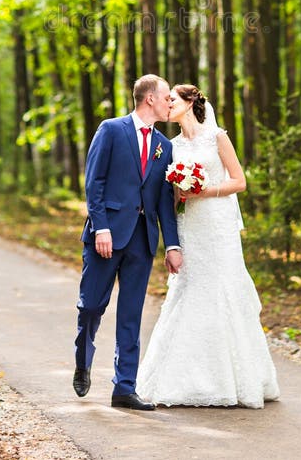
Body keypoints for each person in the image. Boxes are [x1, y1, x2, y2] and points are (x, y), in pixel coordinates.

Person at [136, 84, 280, 408]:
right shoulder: (171, 147)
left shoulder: (217, 137)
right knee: (190, 290)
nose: (167, 104)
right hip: (190, 227)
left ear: (190, 103)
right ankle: (184, 379)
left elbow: (239, 181)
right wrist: (179, 199)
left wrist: (205, 189)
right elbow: (168, 194)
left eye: (172, 99)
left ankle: (238, 379)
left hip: (217, 226)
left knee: (223, 291)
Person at [73, 74, 183, 411]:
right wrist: (101, 228)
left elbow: (164, 201)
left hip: (142, 240)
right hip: (107, 235)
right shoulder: (111, 129)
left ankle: (124, 387)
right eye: (166, 97)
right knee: (91, 305)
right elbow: (94, 183)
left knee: (131, 315)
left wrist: (173, 246)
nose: (170, 103)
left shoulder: (166, 145)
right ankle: (83, 360)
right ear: (150, 98)